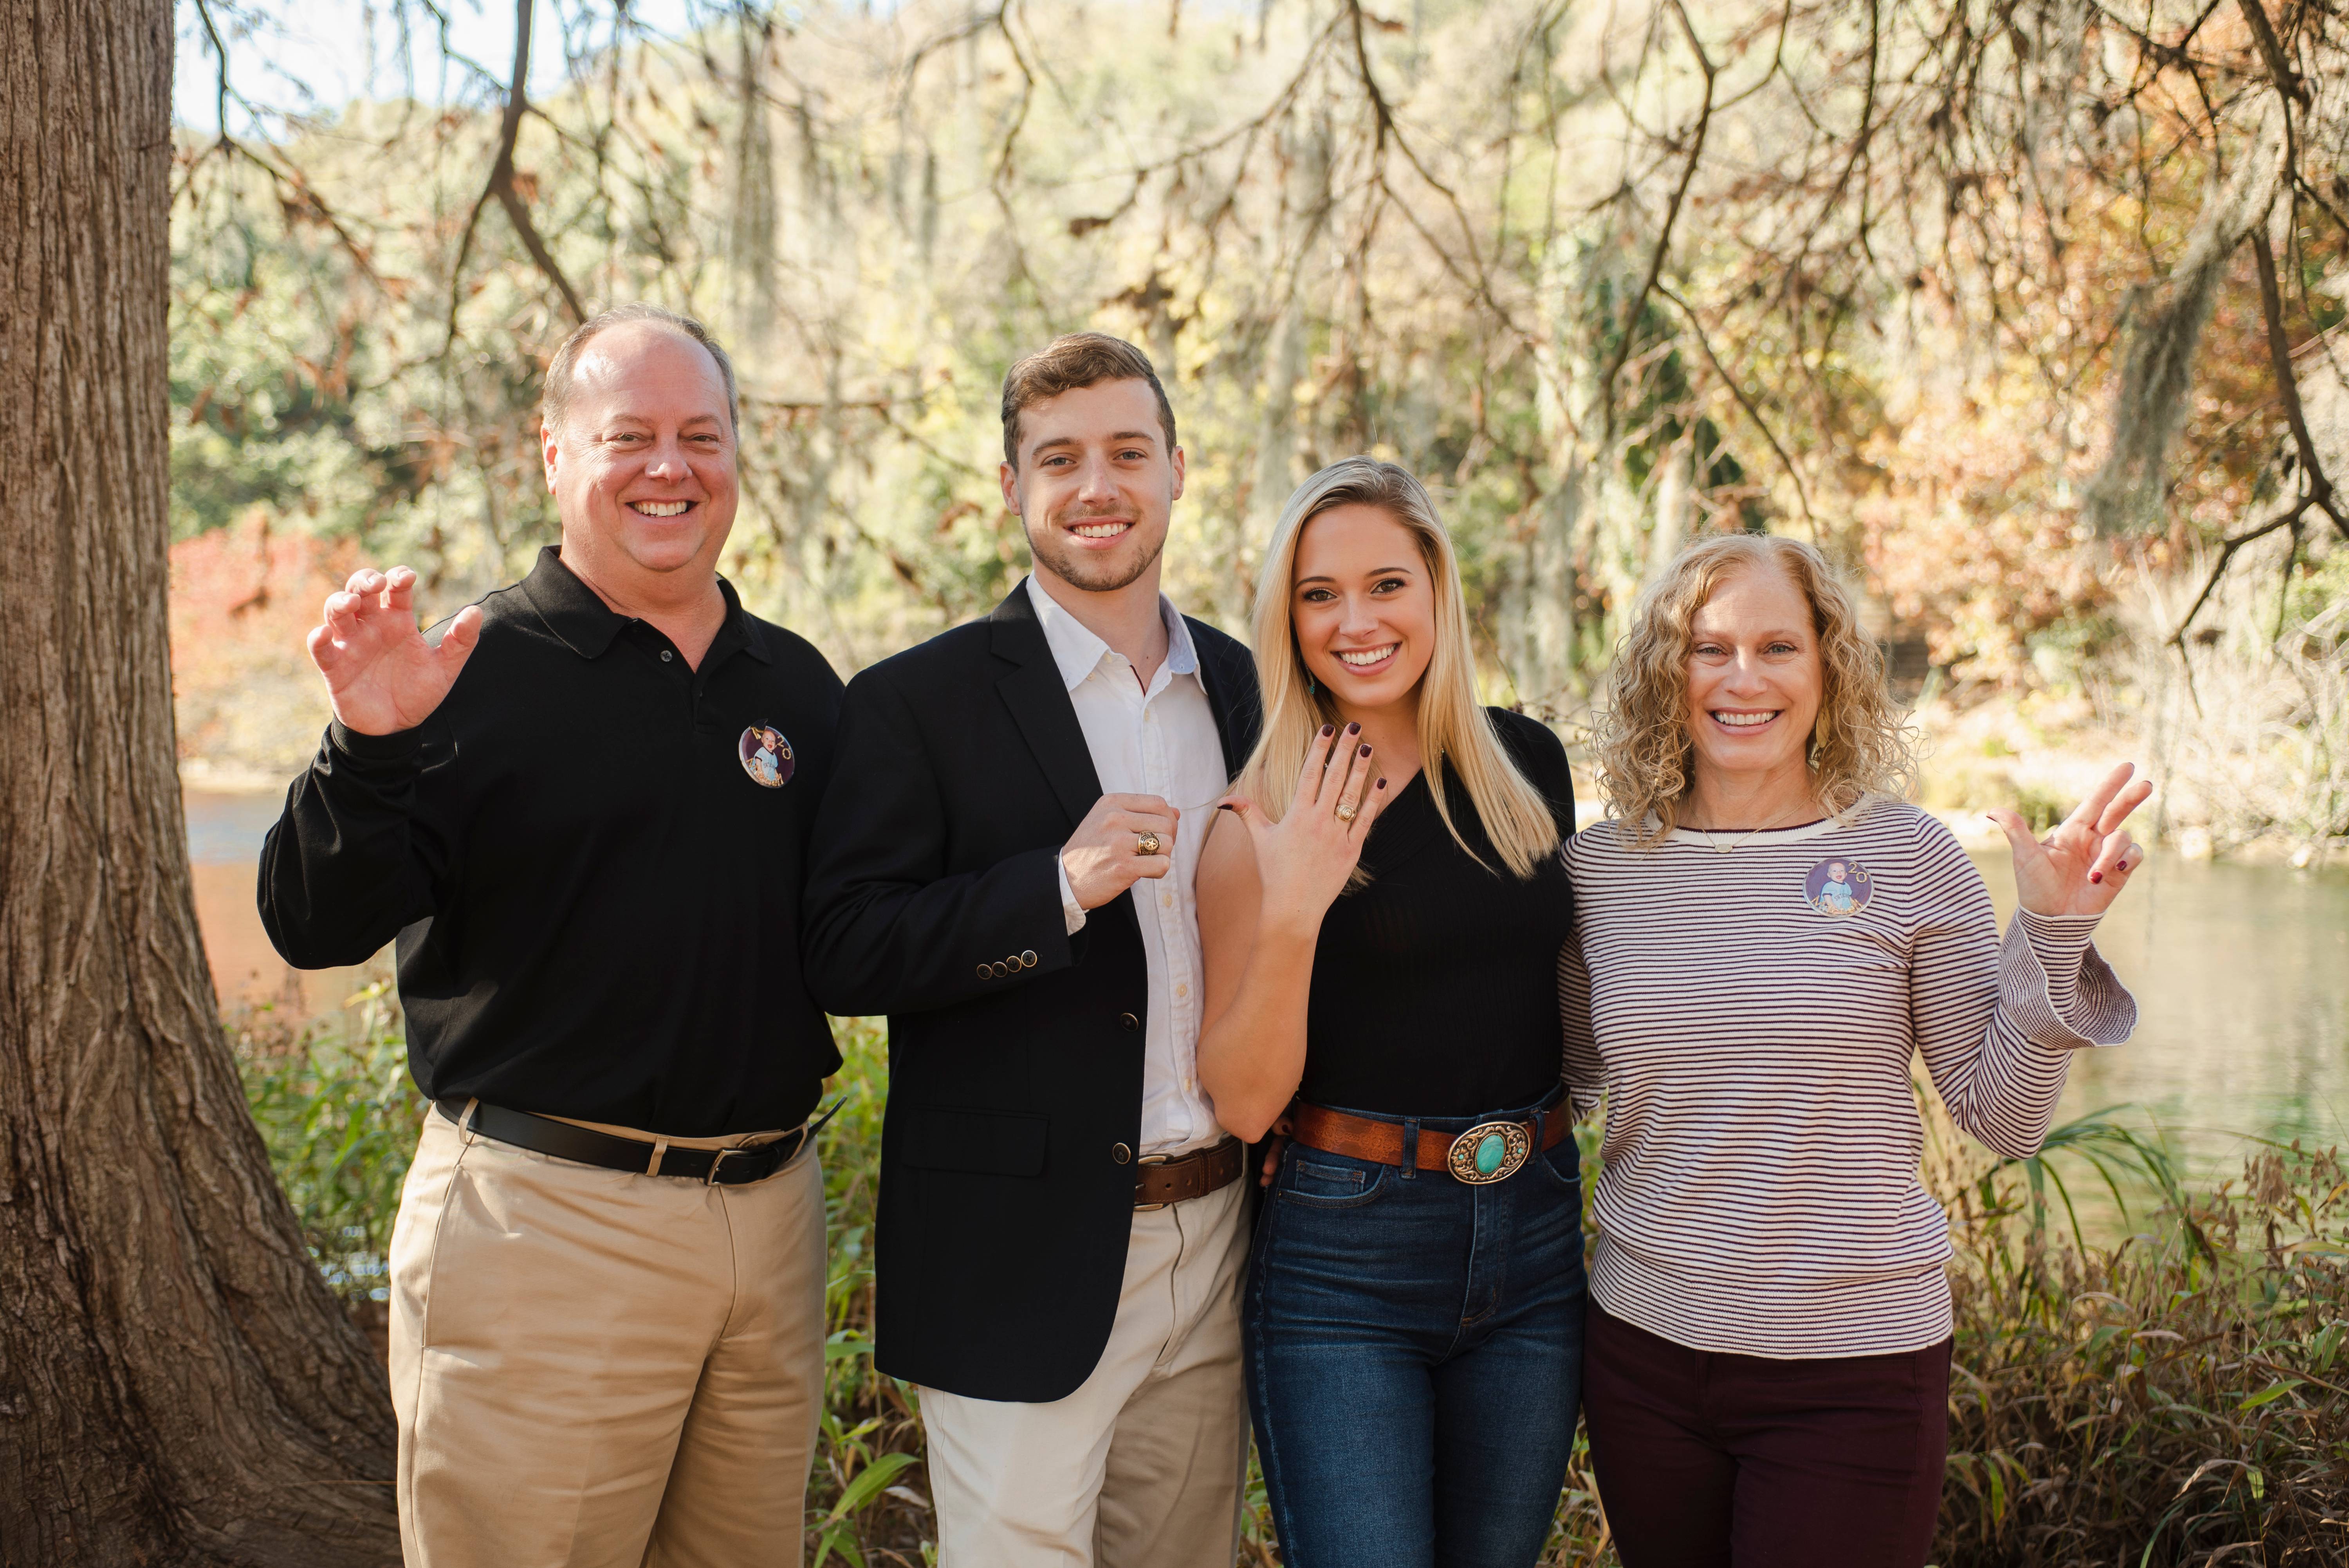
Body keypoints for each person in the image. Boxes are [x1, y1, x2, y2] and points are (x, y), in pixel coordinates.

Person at [258, 304, 843, 1568]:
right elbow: (311, 926)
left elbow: (871, 930)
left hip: (771, 1225)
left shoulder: (796, 689)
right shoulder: (465, 666)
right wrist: (368, 747)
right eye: (628, 435)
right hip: (548, 1230)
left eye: (702, 435)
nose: (669, 468)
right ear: (555, 453)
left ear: (739, 455)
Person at [1560, 532, 2145, 1568]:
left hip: (1853, 1373)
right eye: (1709, 649)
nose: (1744, 679)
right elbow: (1563, 1086)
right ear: (1666, 670)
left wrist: (2053, 934)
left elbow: (2002, 1119)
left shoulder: (1907, 856)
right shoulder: (1600, 871)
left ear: (1828, 669)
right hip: (1642, 1360)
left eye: (1779, 646)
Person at [802, 334, 1264, 1568]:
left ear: (1178, 470)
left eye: (1126, 453)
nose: (1096, 486)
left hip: (1217, 1235)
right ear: (1012, 488)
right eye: (1059, 459)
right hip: (1016, 1256)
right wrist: (1053, 890)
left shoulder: (1251, 687)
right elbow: (843, 950)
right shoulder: (915, 701)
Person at [1193, 458, 1584, 1568]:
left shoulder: (1528, 768)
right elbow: (1243, 1098)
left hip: (1539, 1234)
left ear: (1438, 592)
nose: (1356, 621)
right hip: (1344, 1259)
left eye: (1386, 584)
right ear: (1287, 616)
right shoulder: (1261, 809)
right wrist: (1298, 906)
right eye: (1320, 595)